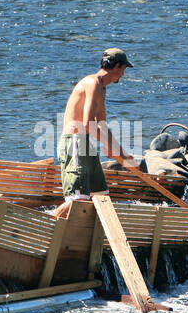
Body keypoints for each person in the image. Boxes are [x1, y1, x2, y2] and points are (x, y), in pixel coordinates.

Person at [52, 48, 138, 218]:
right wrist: (111, 147)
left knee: (101, 196)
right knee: (77, 200)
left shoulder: (101, 88)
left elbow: (102, 126)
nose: (123, 74)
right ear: (117, 66)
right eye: (123, 69)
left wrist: (121, 153)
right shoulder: (92, 83)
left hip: (85, 144)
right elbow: (88, 123)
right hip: (74, 143)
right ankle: (47, 227)